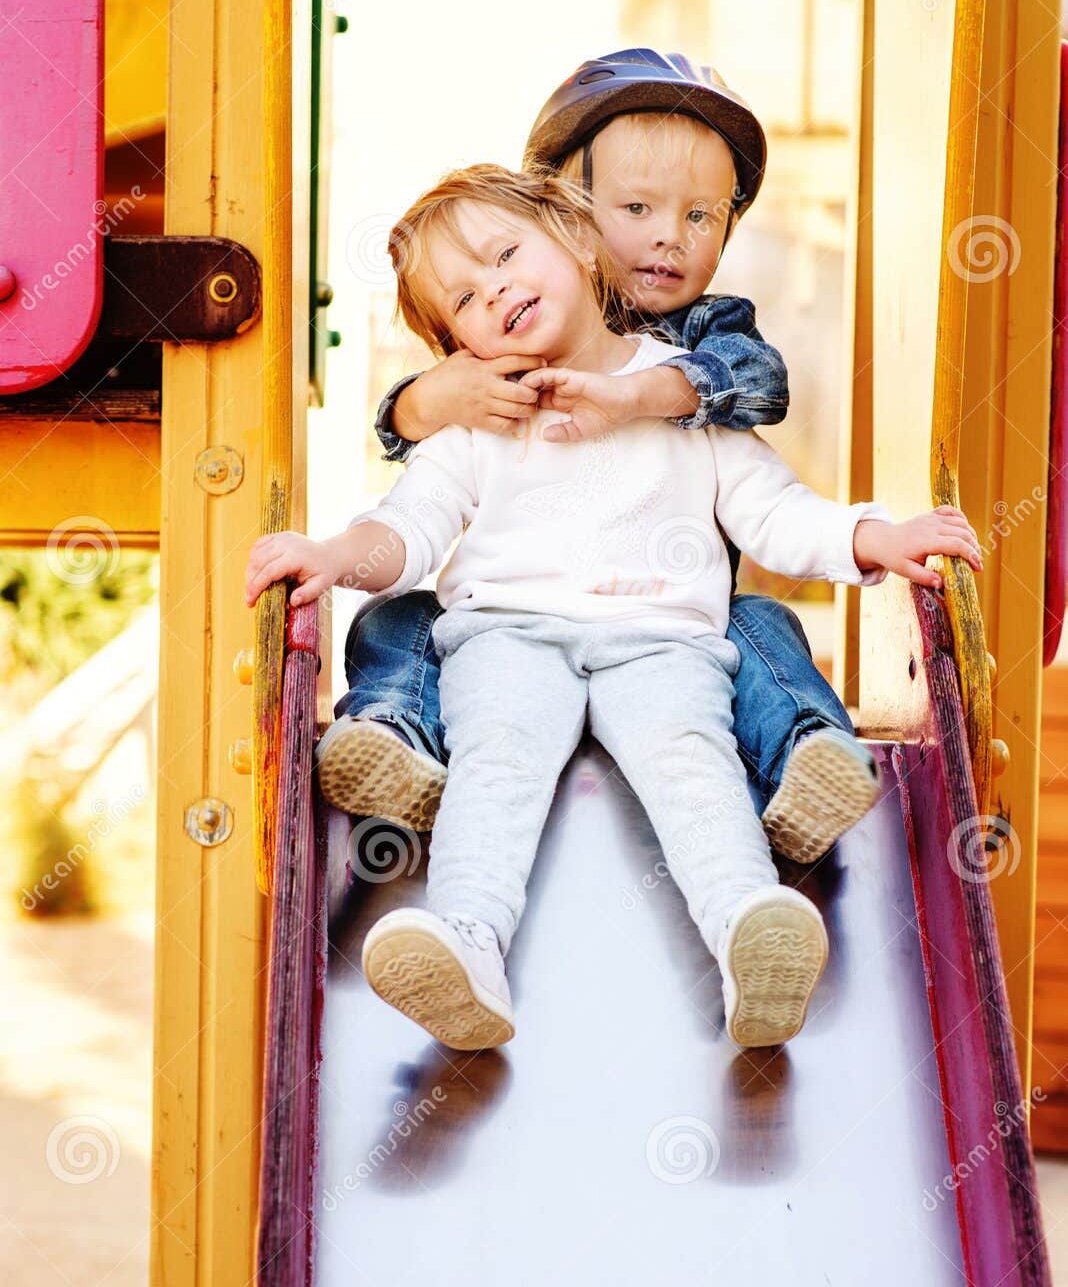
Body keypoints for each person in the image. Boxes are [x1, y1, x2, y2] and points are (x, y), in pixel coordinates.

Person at [245, 165, 982, 1051]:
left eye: (507, 254)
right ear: (459, 347)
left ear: (577, 238)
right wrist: (332, 555)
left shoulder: (680, 392)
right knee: (499, 763)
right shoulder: (481, 422)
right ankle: (470, 944)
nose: (499, 290)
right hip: (509, 638)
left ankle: (751, 928)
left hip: (661, 640)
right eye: (467, 299)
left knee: (690, 762)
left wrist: (872, 537)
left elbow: (774, 512)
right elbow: (407, 530)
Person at [316, 51, 879, 864]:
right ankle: (400, 742)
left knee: (759, 625)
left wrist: (638, 396)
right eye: (639, 207)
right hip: (520, 641)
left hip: (663, 631)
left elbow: (757, 384)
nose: (666, 236)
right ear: (570, 219)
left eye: (701, 218)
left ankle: (806, 756)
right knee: (399, 620)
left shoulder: (711, 328)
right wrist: (431, 399)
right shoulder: (516, 329)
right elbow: (418, 455)